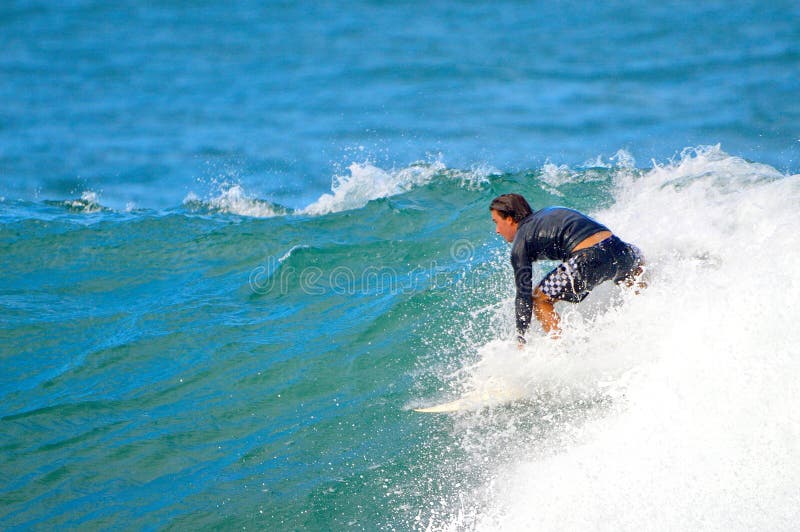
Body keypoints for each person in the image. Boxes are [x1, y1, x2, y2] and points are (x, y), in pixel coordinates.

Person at [490, 193, 644, 343]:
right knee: (632, 276)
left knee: (539, 298)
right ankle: (646, 313)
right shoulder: (549, 212)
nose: (497, 230)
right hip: (622, 250)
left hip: (589, 257)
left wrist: (521, 337)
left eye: (496, 222)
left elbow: (523, 296)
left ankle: (560, 349)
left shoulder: (520, 241)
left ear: (509, 219)